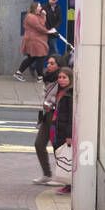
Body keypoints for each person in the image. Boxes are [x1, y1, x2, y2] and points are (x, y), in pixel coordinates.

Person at [32, 53, 68, 186]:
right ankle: (47, 174)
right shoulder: (47, 78)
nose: (48, 65)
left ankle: (62, 177)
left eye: (52, 63)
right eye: (48, 63)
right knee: (39, 144)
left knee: (57, 148)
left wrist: (52, 105)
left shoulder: (61, 79)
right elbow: (44, 97)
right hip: (46, 115)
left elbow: (62, 100)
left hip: (56, 117)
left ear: (59, 65)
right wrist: (40, 116)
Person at [51, 67, 74, 194]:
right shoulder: (61, 91)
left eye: (64, 77)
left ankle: (70, 185)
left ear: (70, 79)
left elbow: (71, 116)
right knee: (61, 156)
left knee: (66, 158)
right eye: (59, 77)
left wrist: (69, 135)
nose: (61, 80)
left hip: (65, 130)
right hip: (58, 128)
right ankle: (67, 183)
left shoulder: (70, 94)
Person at [14, 2, 49, 80]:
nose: (41, 7)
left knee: (31, 58)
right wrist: (48, 31)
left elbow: (42, 23)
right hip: (34, 40)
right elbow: (40, 27)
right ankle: (40, 77)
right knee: (40, 57)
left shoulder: (37, 16)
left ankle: (18, 73)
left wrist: (43, 15)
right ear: (35, 8)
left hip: (35, 39)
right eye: (39, 6)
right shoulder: (31, 17)